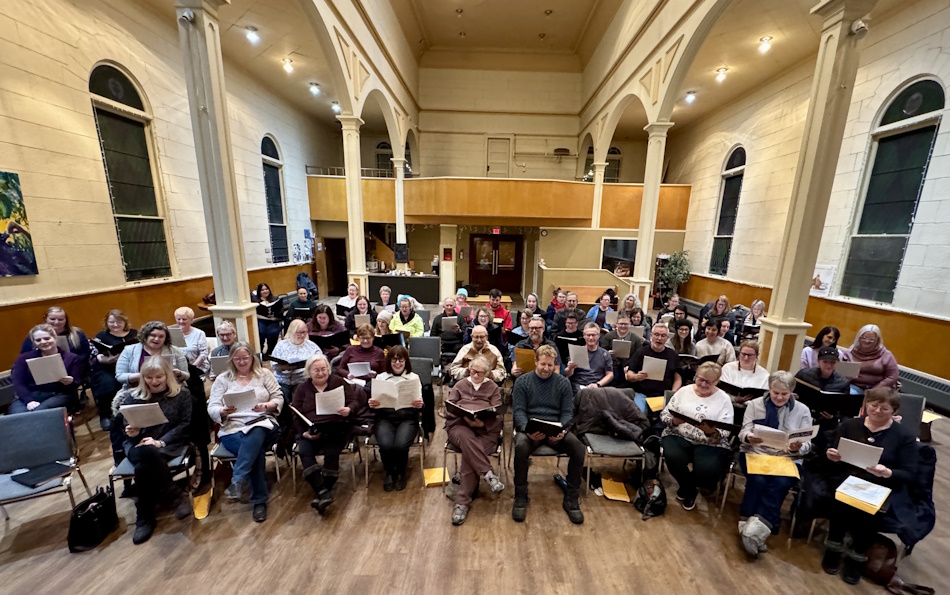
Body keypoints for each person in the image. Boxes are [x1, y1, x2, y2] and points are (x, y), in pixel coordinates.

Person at [821, 388, 917, 584]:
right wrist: (832, 455)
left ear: (894, 411)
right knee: (840, 499)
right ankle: (834, 547)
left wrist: (888, 472)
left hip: (880, 483)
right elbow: (835, 454)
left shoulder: (903, 436)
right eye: (873, 406)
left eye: (884, 408)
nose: (877, 411)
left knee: (868, 510)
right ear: (866, 405)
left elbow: (909, 472)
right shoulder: (850, 425)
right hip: (847, 477)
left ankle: (857, 555)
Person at [737, 371, 814, 557]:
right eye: (775, 392)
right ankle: (758, 531)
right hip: (756, 453)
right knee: (759, 481)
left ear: (792, 393)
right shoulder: (755, 404)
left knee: (780, 484)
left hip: (786, 457)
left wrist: (798, 447)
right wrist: (749, 437)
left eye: (784, 394)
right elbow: (743, 431)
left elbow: (808, 443)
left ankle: (750, 528)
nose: (779, 397)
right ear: (769, 389)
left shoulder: (803, 410)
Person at [118, 357, 193, 544]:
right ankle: (173, 494)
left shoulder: (182, 395)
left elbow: (185, 424)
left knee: (143, 467)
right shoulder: (132, 397)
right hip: (137, 445)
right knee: (146, 452)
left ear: (167, 375)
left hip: (169, 443)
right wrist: (133, 432)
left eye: (158, 376)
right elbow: (127, 429)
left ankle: (144, 515)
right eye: (149, 378)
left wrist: (160, 442)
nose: (154, 381)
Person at [207, 342, 283, 522]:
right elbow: (212, 406)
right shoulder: (223, 379)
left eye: (245, 358)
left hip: (262, 421)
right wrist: (222, 411)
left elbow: (278, 397)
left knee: (256, 431)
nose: (242, 362)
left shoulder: (264, 374)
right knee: (253, 451)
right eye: (237, 358)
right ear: (231, 359)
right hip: (233, 427)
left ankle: (239, 478)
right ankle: (259, 502)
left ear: (252, 358)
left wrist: (266, 406)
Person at [511, 345, 585, 524]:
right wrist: (527, 430)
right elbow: (519, 412)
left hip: (555, 429)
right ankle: (520, 495)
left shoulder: (562, 383)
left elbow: (567, 412)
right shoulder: (523, 382)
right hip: (531, 429)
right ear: (535, 362)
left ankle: (571, 497)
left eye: (550, 365)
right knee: (520, 447)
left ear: (555, 365)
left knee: (579, 448)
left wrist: (563, 430)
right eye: (543, 364)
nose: (546, 368)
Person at [292, 353, 362, 515]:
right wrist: (304, 433)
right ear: (309, 372)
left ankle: (322, 491)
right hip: (311, 430)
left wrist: (348, 409)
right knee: (305, 452)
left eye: (324, 369)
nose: (321, 373)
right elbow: (295, 413)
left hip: (336, 427)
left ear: (328, 369)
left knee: (332, 453)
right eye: (316, 370)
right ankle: (323, 492)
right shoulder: (302, 389)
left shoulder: (338, 382)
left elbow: (354, 401)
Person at [659, 362, 734, 510]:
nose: (703, 384)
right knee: (673, 456)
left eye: (708, 382)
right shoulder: (684, 391)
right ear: (696, 376)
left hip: (709, 441)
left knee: (708, 469)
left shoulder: (724, 399)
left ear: (717, 381)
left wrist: (710, 431)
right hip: (678, 434)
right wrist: (674, 420)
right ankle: (690, 490)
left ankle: (686, 487)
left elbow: (726, 430)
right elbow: (664, 414)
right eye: (700, 379)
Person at [445, 354, 505, 525]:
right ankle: (488, 474)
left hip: (485, 431)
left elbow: (498, 416)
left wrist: (481, 423)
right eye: (473, 371)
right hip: (460, 428)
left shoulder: (493, 388)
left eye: (480, 372)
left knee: (469, 456)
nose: (475, 375)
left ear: (487, 373)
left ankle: (461, 503)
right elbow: (449, 409)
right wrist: (463, 415)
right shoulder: (460, 385)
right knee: (467, 440)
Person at [368, 346, 423, 491]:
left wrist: (419, 404)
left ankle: (400, 472)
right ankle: (389, 472)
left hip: (407, 418)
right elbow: (373, 402)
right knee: (386, 445)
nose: (397, 363)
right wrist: (372, 403)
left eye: (401, 360)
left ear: (406, 361)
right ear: (389, 361)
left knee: (400, 445)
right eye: (394, 360)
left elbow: (420, 402)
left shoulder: (414, 377)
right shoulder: (381, 378)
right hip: (385, 417)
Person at [11, 324, 83, 414]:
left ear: (55, 338)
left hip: (58, 395)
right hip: (30, 395)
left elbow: (76, 382)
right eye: (38, 340)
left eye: (47, 338)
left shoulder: (72, 358)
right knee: (17, 417)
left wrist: (70, 382)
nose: (43, 342)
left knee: (38, 414)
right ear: (34, 342)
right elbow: (18, 383)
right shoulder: (24, 358)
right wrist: (29, 400)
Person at [90, 310, 139, 428]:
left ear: (124, 322)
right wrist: (109, 359)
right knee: (107, 383)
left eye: (119, 322)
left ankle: (134, 411)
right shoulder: (101, 336)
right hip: (108, 367)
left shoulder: (134, 333)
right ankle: (106, 414)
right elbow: (98, 356)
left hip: (131, 366)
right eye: (111, 322)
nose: (115, 325)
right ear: (106, 322)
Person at [115, 321, 190, 396]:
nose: (157, 339)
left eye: (161, 336)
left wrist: (179, 373)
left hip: (170, 392)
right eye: (153, 335)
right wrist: (143, 375)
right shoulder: (129, 350)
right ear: (145, 335)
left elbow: (187, 375)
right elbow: (120, 376)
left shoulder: (174, 350)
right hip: (136, 392)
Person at [20, 306, 90, 382]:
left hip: (73, 369)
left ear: (66, 320)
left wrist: (70, 364)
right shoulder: (35, 335)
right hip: (43, 371)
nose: (56, 322)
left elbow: (86, 354)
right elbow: (25, 355)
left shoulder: (77, 333)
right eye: (52, 319)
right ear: (45, 319)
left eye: (60, 319)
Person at [625, 323, 682, 412]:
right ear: (651, 336)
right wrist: (637, 377)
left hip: (663, 395)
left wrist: (673, 393)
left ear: (667, 338)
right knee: (639, 413)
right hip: (642, 393)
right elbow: (629, 375)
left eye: (663, 336)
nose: (659, 338)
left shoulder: (673, 355)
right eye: (656, 335)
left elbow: (678, 379)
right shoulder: (641, 352)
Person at [270, 319, 322, 403]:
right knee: (281, 399)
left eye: (304, 332)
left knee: (299, 398)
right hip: (282, 380)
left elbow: (320, 360)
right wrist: (282, 367)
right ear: (292, 332)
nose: (302, 335)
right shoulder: (281, 345)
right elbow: (273, 363)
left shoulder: (311, 346)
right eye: (299, 332)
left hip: (302, 380)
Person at [844, 324, 899, 393]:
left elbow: (892, 377)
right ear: (858, 338)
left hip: (880, 388)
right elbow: (842, 373)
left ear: (877, 340)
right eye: (863, 338)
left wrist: (874, 390)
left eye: (871, 339)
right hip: (855, 386)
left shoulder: (886, 355)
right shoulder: (849, 352)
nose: (867, 341)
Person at [565, 323, 613, 393]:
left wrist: (598, 384)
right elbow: (568, 374)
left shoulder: (605, 354)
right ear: (584, 336)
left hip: (597, 388)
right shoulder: (576, 352)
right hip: (578, 387)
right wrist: (570, 368)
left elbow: (610, 374)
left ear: (598, 336)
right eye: (588, 335)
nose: (591, 338)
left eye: (593, 335)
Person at [600, 314, 641, 386]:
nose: (623, 326)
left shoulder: (636, 339)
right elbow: (602, 352)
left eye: (626, 324)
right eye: (621, 324)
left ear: (630, 324)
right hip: (612, 366)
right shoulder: (609, 336)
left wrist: (630, 366)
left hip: (628, 367)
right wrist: (608, 353)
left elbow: (638, 356)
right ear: (616, 324)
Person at [174, 306, 210, 375]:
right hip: (178, 370)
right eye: (178, 319)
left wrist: (192, 368)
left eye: (184, 319)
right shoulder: (171, 333)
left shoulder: (199, 333)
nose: (181, 321)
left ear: (191, 320)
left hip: (197, 368)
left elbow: (203, 354)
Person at [254, 283, 283, 356]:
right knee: (261, 332)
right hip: (261, 320)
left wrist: (275, 314)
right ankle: (260, 352)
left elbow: (281, 311)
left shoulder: (275, 299)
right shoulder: (255, 301)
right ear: (259, 292)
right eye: (262, 290)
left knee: (273, 332)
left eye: (266, 289)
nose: (265, 291)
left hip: (273, 320)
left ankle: (270, 351)